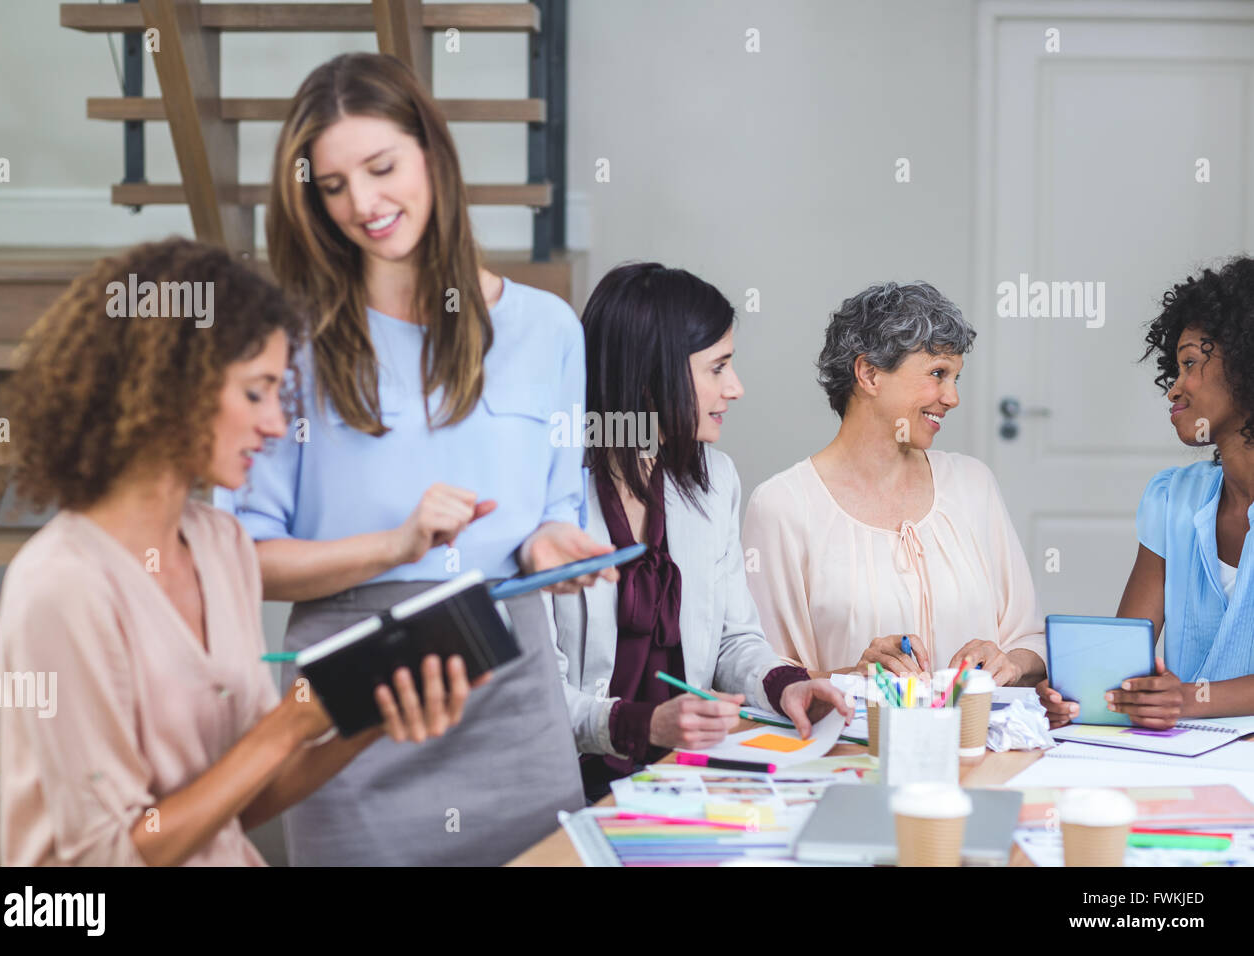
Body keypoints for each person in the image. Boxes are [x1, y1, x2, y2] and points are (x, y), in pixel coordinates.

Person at [218, 52, 614, 865]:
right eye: (332, 186)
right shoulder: (288, 348)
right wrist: (397, 545)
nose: (363, 204)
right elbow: (244, 562)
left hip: (513, 685)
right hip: (353, 697)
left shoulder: (549, 331)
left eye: (381, 166)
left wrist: (551, 547)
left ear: (432, 153)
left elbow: (551, 514)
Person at [0, 238, 475, 866]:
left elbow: (244, 798)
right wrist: (292, 724)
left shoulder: (223, 547)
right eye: (256, 392)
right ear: (168, 387)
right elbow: (102, 861)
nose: (276, 424)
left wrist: (371, 716)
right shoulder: (60, 588)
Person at [552, 264, 852, 800]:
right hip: (570, 788)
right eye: (718, 368)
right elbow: (534, 694)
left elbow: (734, 639)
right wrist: (641, 725)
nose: (735, 388)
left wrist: (787, 684)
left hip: (682, 779)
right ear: (650, 376)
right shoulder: (548, 495)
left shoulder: (714, 481)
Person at [742, 281, 1046, 685]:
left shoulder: (974, 485)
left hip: (976, 745)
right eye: (938, 374)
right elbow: (759, 673)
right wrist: (855, 676)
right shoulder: (782, 506)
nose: (952, 397)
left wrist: (1009, 661)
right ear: (869, 373)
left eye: (955, 377)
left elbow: (1031, 642)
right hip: (852, 747)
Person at [1041, 258, 1254, 729]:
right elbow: (1123, 660)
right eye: (1175, 367)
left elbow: (1182, 698)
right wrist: (1075, 691)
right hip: (1180, 755)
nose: (1174, 387)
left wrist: (1188, 699)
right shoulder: (1172, 499)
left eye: (1192, 364)